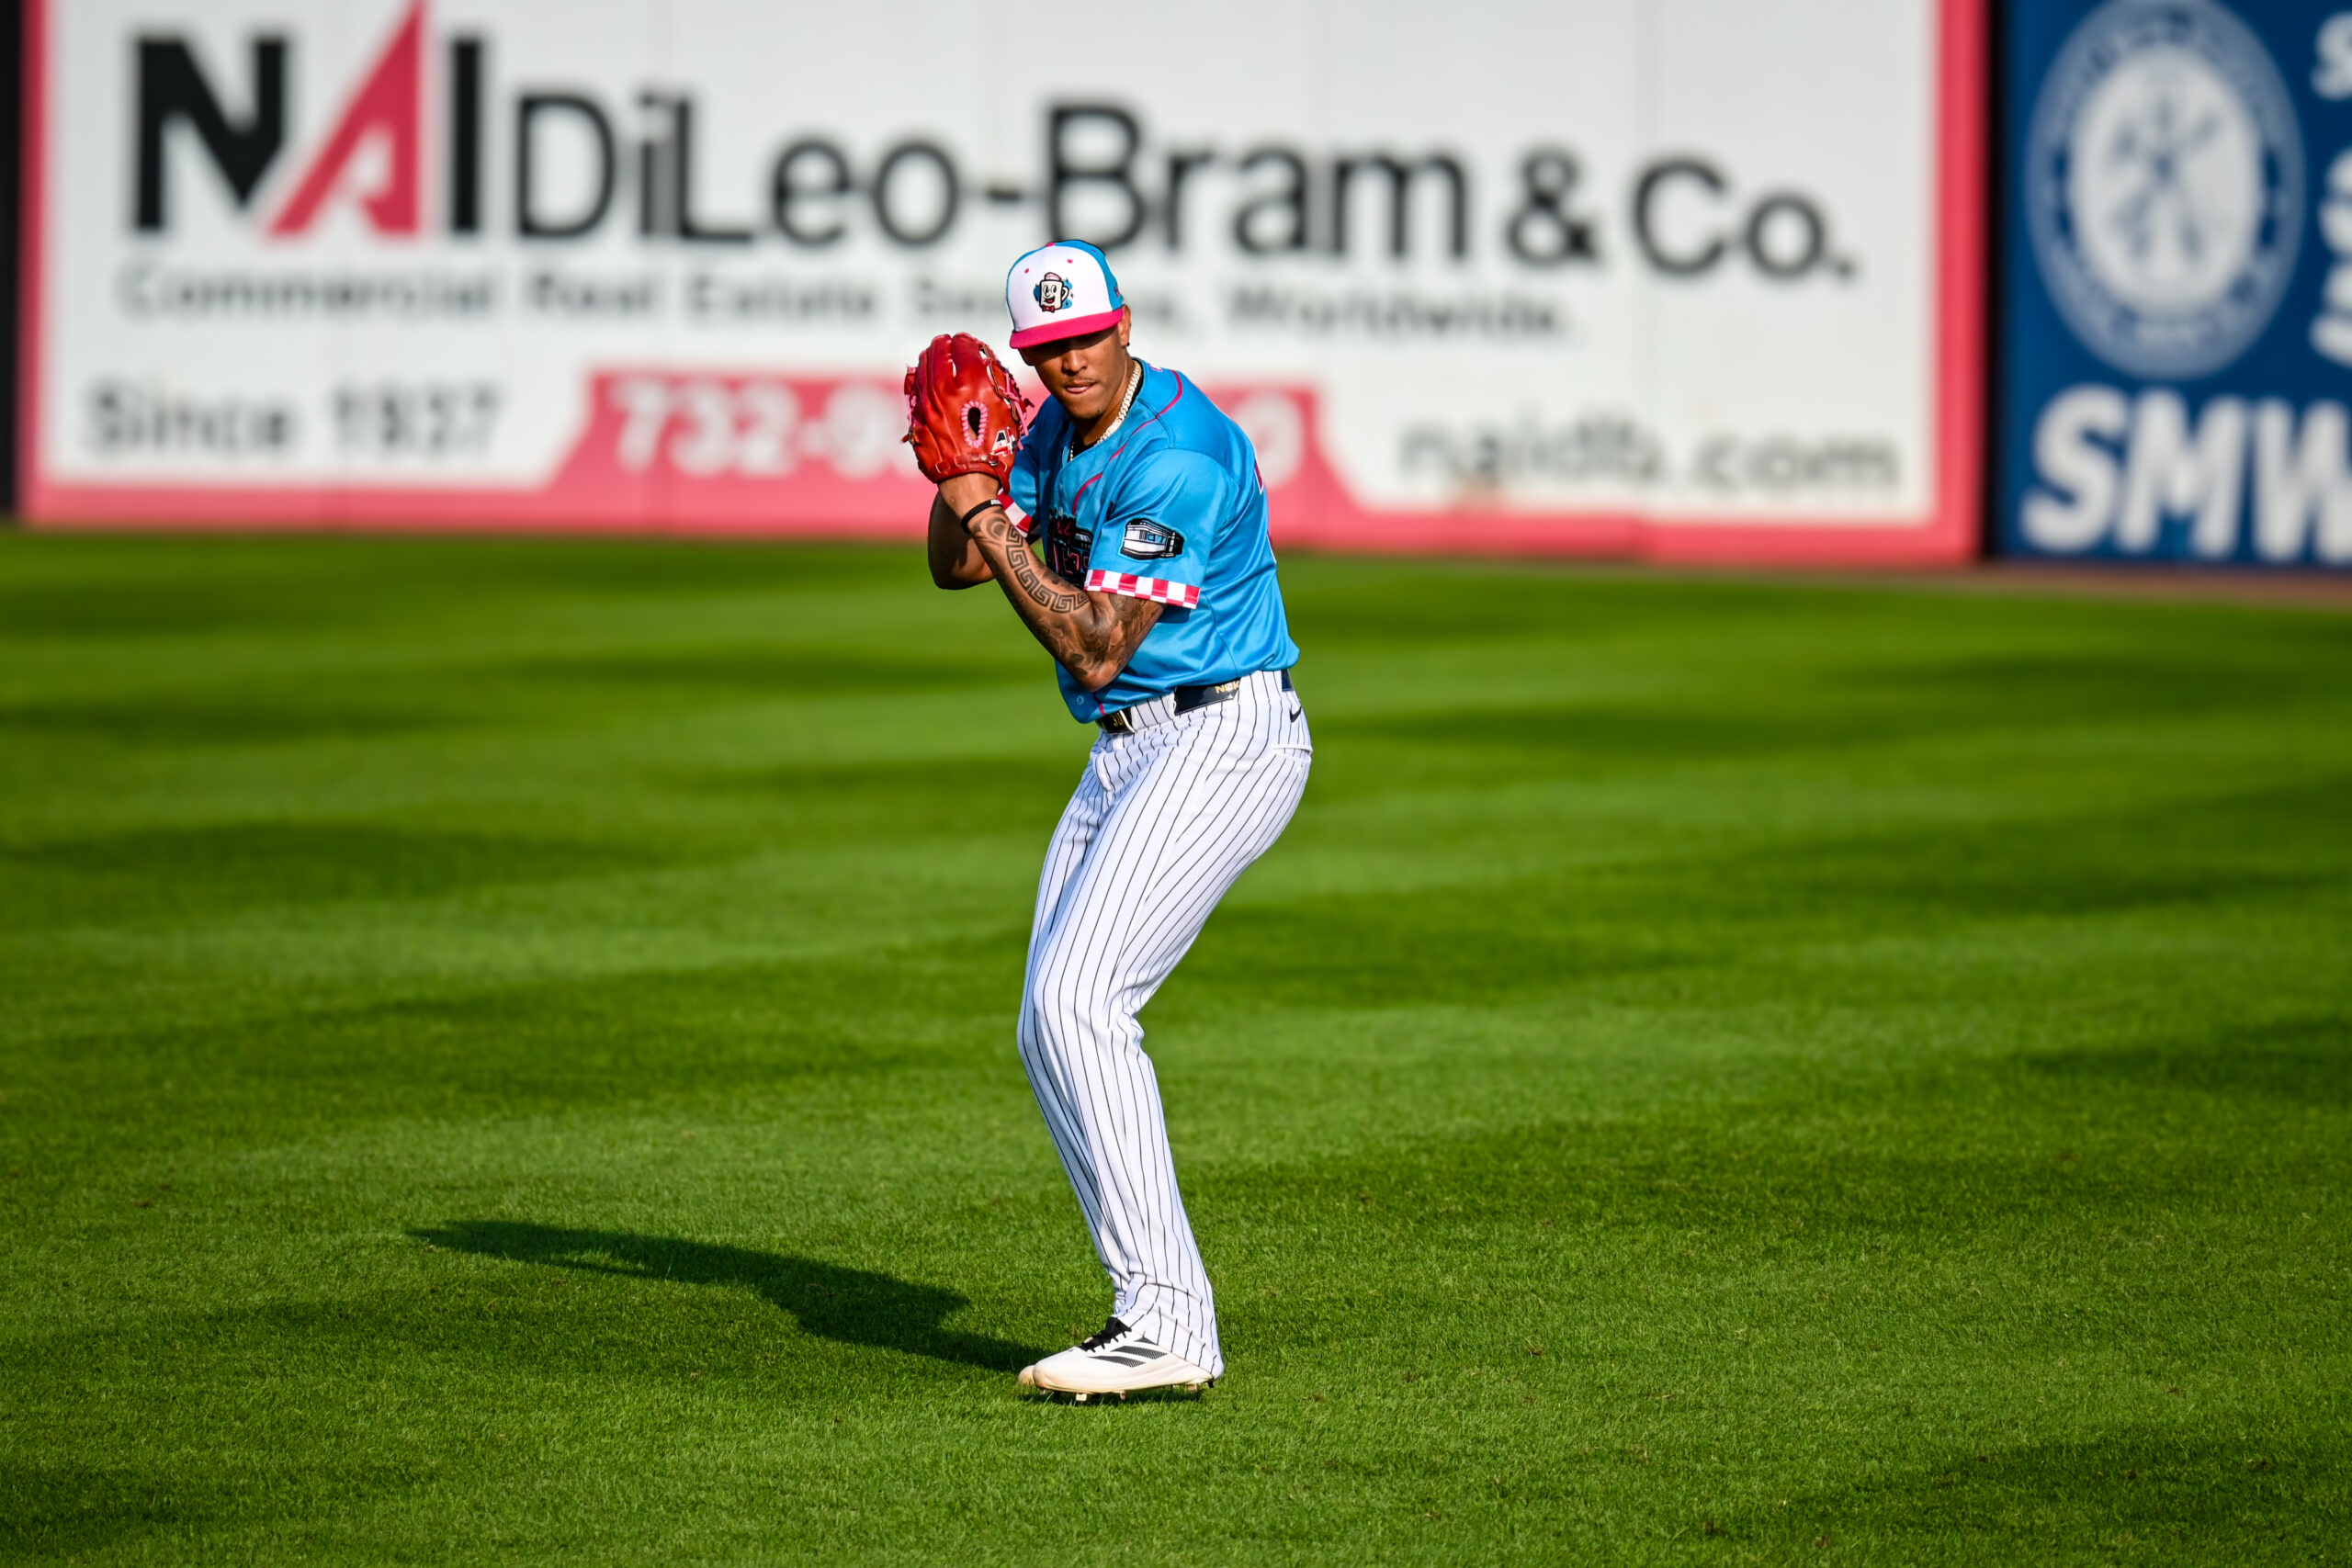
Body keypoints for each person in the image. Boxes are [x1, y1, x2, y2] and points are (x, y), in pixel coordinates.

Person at [924, 241, 1311, 1400]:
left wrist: (983, 507)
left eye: (1085, 337)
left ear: (1125, 323)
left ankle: (1168, 1323)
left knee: (1079, 1001)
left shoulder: (1178, 453)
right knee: (1048, 1026)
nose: (1069, 362)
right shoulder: (1051, 429)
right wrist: (955, 479)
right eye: (1046, 348)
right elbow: (957, 567)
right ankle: (1150, 1306)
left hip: (1223, 735)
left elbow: (1095, 646)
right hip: (1131, 749)